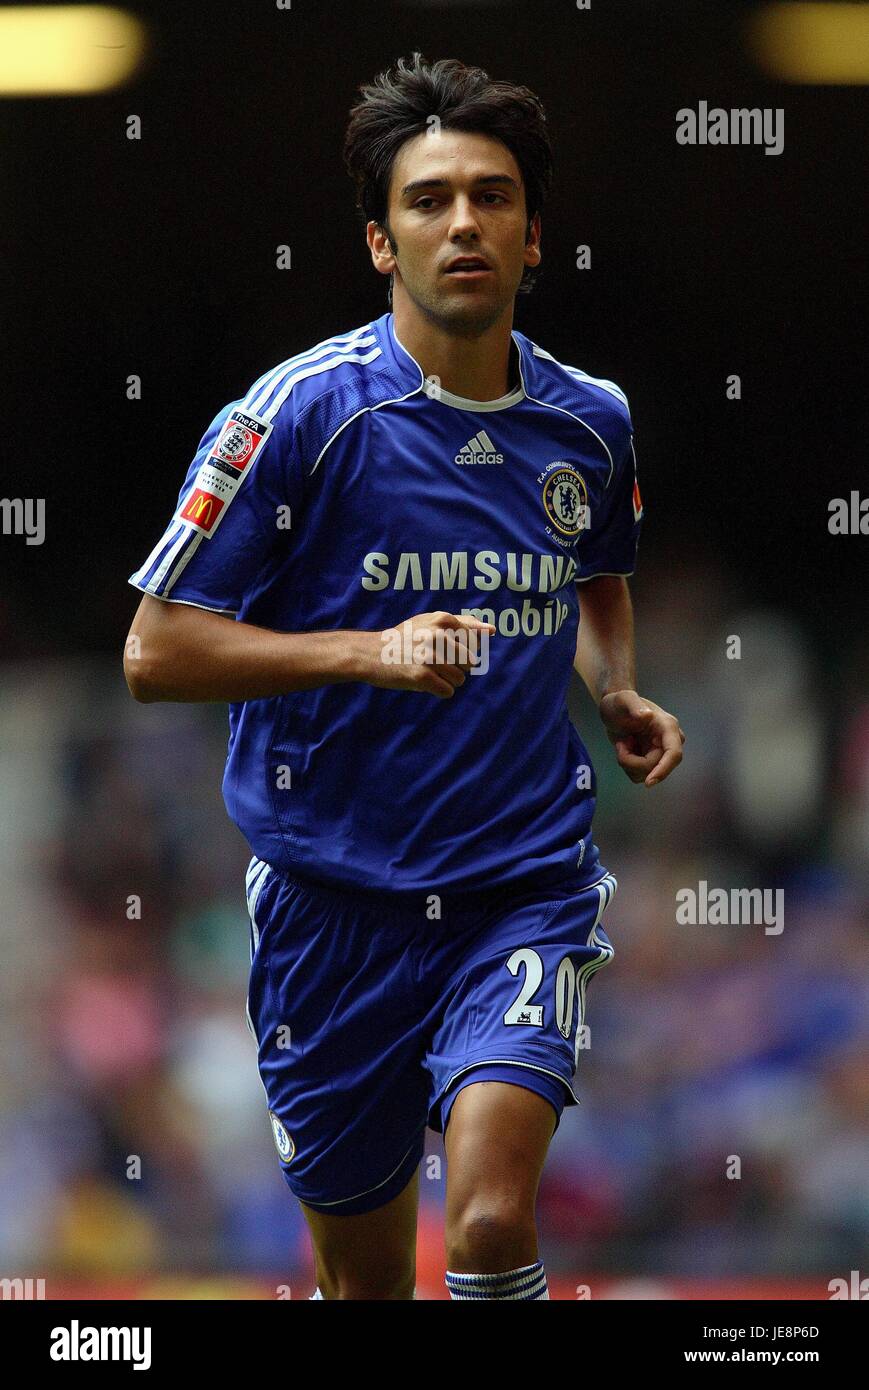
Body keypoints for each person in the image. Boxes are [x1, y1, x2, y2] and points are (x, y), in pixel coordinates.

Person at [124, 53, 685, 1301]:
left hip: (517, 887)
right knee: (368, 1283)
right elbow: (154, 653)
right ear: (381, 243)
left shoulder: (590, 421)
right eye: (428, 201)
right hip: (329, 908)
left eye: (491, 196)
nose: (463, 222)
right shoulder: (293, 421)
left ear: (534, 238)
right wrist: (364, 650)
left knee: (486, 1225)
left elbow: (598, 570)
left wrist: (613, 691)